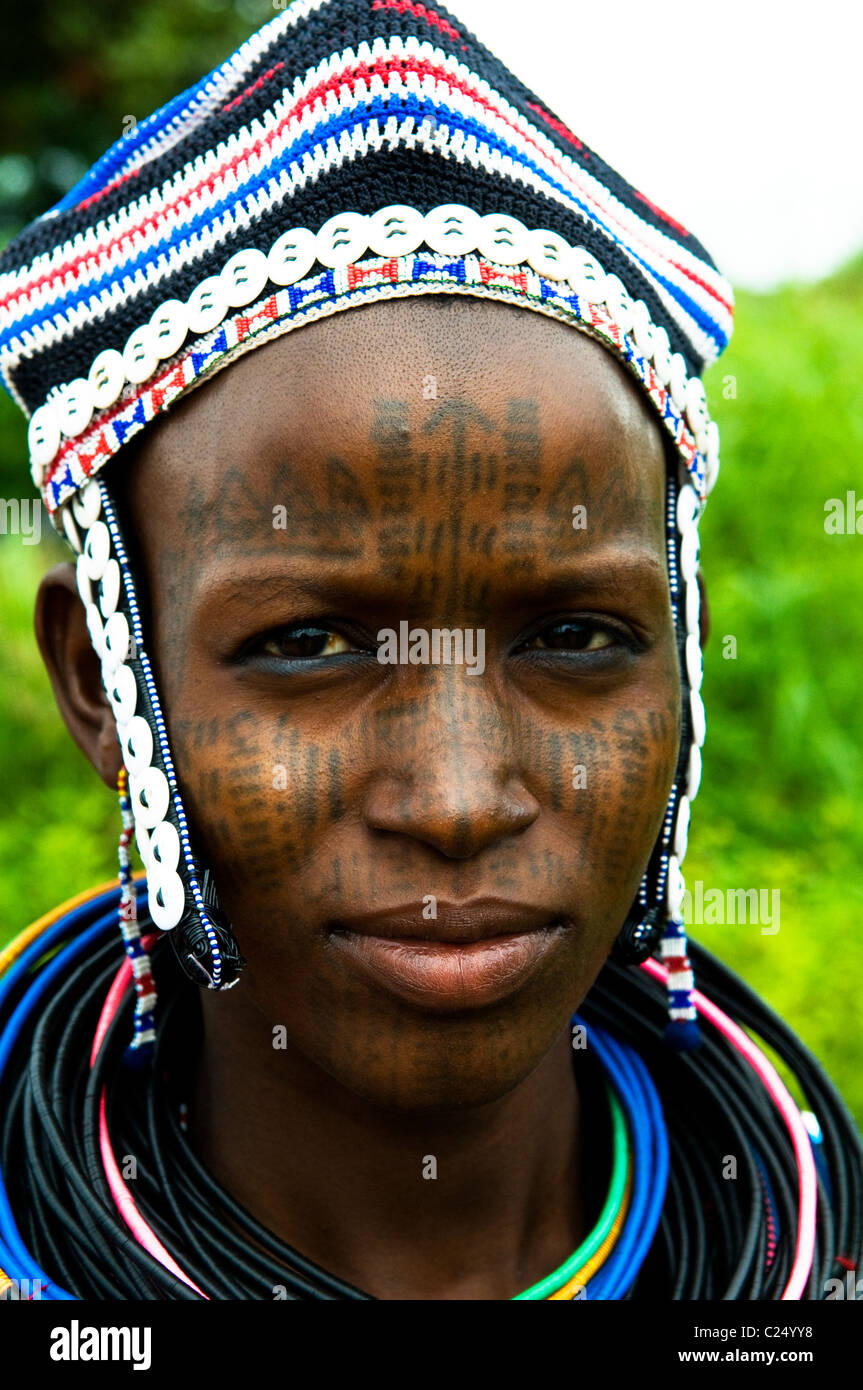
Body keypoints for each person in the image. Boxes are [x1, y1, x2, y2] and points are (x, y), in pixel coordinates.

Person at [0, 0, 859, 1302]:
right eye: (308, 644)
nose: (460, 797)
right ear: (101, 685)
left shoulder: (815, 1252)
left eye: (574, 635)